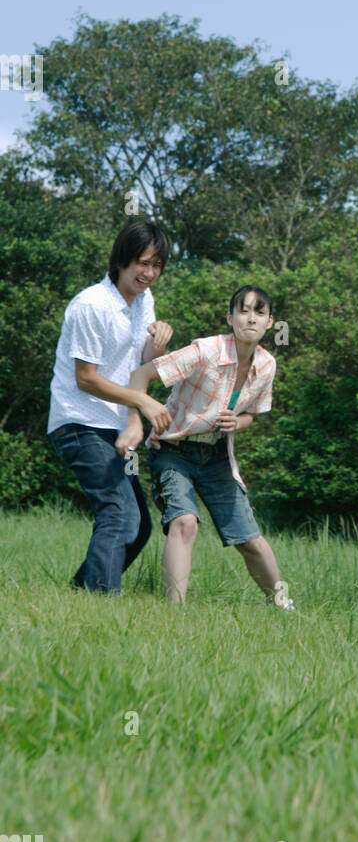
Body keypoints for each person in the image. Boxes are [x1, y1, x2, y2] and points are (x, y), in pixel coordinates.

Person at [125, 285, 294, 612]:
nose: (251, 318)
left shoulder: (266, 365)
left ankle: (283, 606)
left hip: (216, 455)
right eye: (243, 311)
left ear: (270, 322)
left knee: (250, 540)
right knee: (185, 522)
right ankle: (175, 615)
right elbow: (140, 375)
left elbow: (250, 416)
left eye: (259, 313)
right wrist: (141, 413)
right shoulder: (205, 351)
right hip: (173, 449)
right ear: (229, 317)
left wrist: (237, 423)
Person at [47, 220, 174, 594]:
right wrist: (141, 403)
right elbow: (86, 377)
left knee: (139, 527)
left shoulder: (143, 301)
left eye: (157, 265)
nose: (149, 273)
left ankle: (79, 594)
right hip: (79, 423)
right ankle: (101, 602)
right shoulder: (91, 306)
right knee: (118, 514)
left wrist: (157, 349)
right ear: (121, 260)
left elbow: (137, 368)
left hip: (117, 426)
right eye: (142, 263)